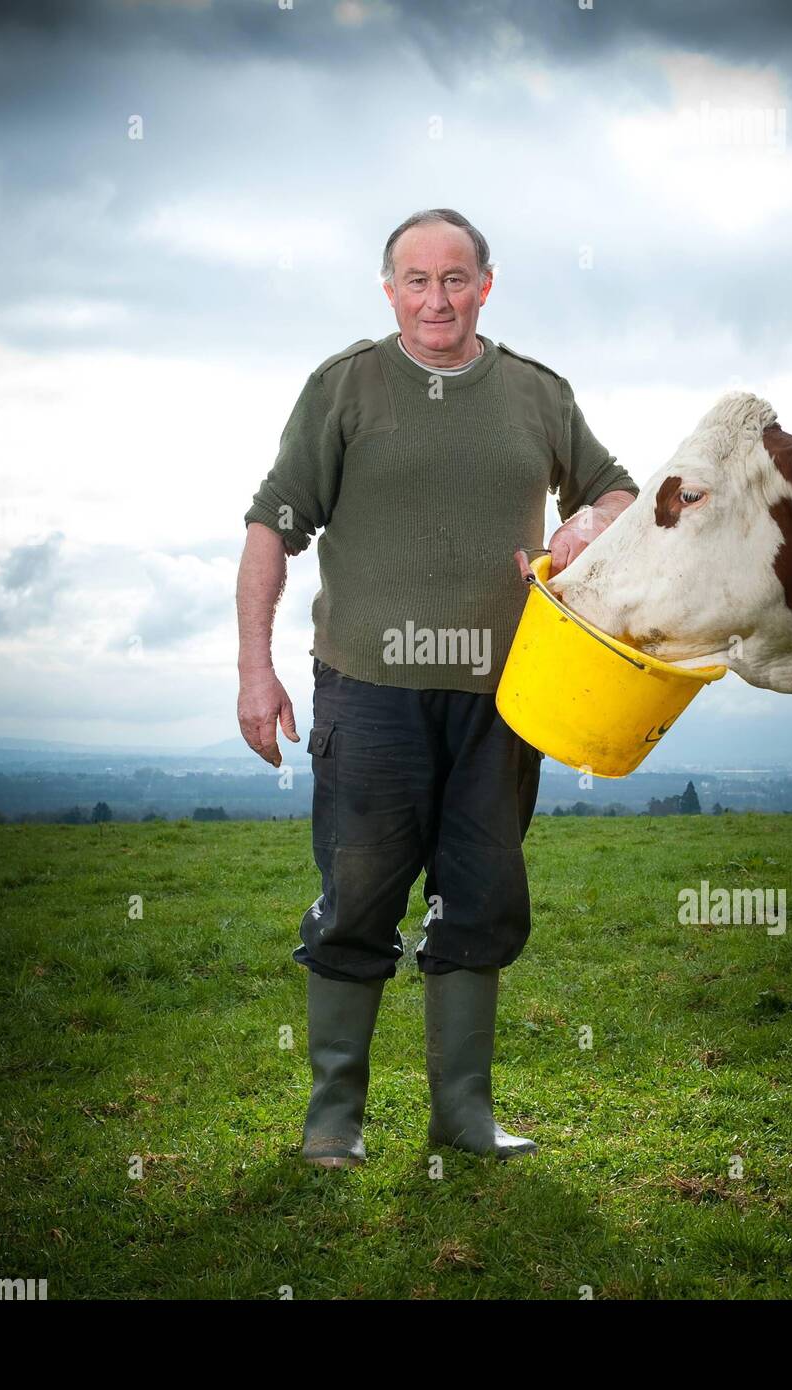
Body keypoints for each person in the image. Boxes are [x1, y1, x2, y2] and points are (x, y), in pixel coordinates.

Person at [236, 208, 637, 1166]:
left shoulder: (537, 393)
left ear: (486, 286)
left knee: (484, 896)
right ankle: (334, 1118)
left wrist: (586, 525)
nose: (436, 299)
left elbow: (617, 486)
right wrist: (256, 667)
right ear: (390, 292)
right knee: (359, 896)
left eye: (455, 279)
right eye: (416, 281)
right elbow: (268, 526)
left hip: (507, 696)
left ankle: (462, 1118)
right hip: (368, 691)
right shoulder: (346, 386)